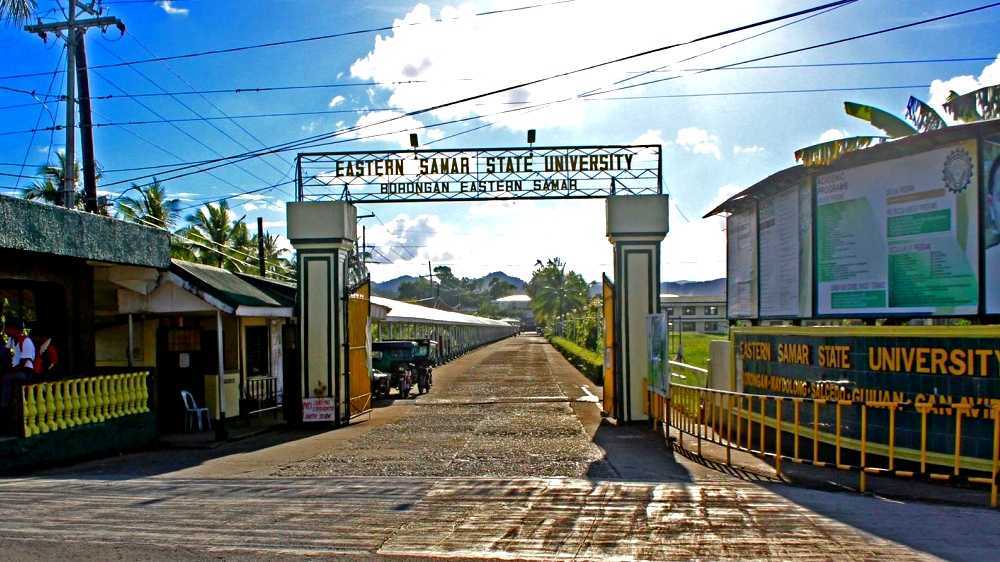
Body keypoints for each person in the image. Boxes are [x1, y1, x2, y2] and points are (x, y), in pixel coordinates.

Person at [1, 320, 35, 410]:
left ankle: (4, 405)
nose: (5, 331)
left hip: (25, 371)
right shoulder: (11, 339)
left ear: (14, 329)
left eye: (7, 329)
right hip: (17, 369)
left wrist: (11, 370)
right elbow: (6, 352)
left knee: (6, 378)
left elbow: (24, 363)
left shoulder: (26, 341)